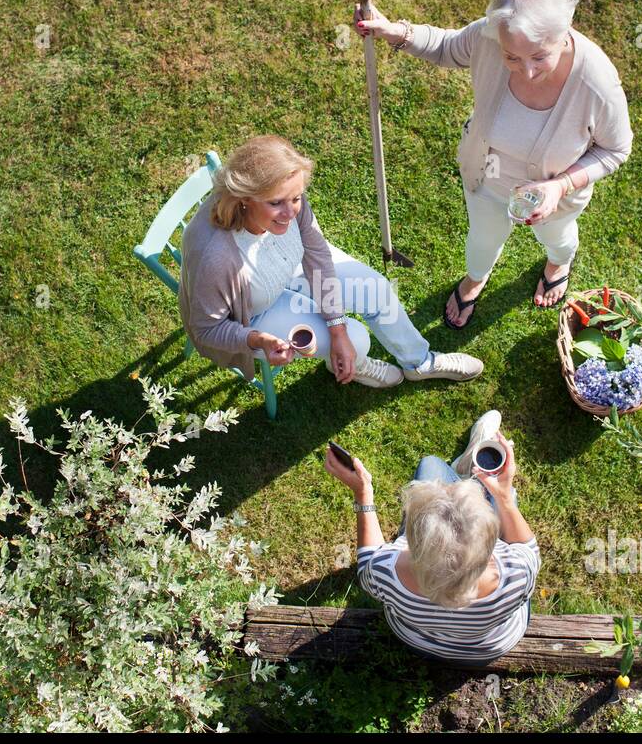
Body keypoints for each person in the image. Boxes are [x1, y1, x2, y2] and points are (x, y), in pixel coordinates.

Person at [354, 0, 634, 327]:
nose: (526, 72)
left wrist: (559, 186)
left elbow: (615, 150)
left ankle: (558, 262)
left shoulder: (597, 83)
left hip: (554, 199)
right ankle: (475, 278)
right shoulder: (492, 34)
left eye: (538, 57)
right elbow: (447, 46)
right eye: (512, 58)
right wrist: (396, 32)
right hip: (486, 178)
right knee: (481, 241)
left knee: (558, 238)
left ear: (564, 33)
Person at [178, 134, 484, 388]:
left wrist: (335, 329)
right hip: (253, 313)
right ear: (245, 197)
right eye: (276, 203)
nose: (291, 212)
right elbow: (206, 328)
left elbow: (315, 253)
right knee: (357, 340)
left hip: (289, 269)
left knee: (377, 290)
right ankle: (356, 363)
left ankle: (420, 362)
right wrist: (256, 339)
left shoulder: (287, 191)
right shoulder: (216, 258)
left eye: (296, 198)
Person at [324, 410, 539, 666]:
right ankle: (476, 474)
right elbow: (527, 547)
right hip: (489, 648)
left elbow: (367, 560)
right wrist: (502, 496)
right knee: (503, 499)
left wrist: (363, 493)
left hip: (418, 641)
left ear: (411, 538)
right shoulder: (517, 573)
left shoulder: (385, 572)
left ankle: (465, 471)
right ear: (491, 546)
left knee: (430, 466)